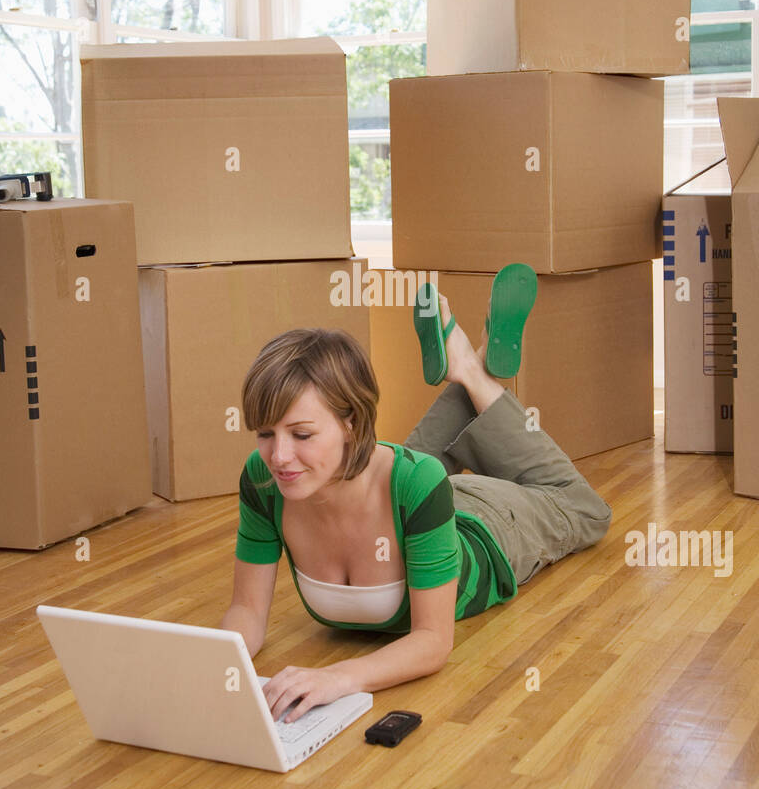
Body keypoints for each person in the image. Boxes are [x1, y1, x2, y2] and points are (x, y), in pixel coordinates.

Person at [221, 273, 612, 725]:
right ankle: (469, 364)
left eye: (302, 434)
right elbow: (247, 610)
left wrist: (338, 677)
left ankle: (469, 366)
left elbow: (432, 640)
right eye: (265, 434)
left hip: (484, 525)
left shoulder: (416, 483)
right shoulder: (264, 480)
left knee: (583, 507)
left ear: (351, 422)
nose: (279, 456)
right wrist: (218, 668)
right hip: (403, 506)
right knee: (406, 480)